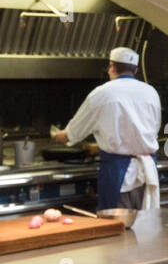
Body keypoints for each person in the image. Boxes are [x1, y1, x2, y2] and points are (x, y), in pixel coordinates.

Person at [52, 46, 161, 210]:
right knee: (146, 226)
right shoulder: (151, 92)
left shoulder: (102, 93)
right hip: (147, 172)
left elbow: (73, 132)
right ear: (136, 70)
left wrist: (58, 136)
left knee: (117, 227)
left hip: (118, 173)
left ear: (112, 67)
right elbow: (155, 127)